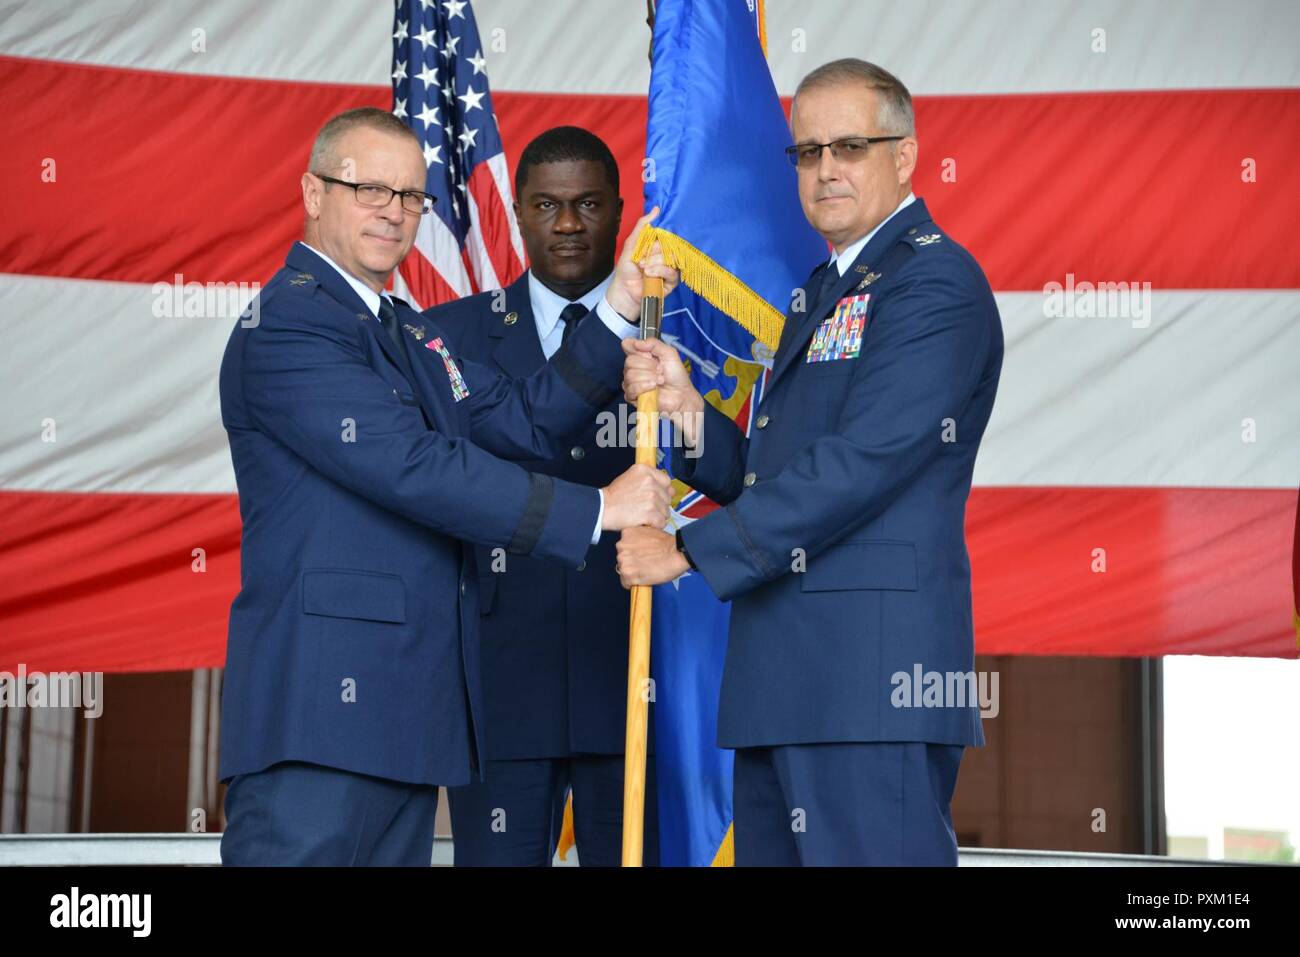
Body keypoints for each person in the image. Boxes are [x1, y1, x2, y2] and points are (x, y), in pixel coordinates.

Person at [216, 107, 676, 866]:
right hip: (319, 717)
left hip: (407, 720)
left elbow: (523, 418)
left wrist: (619, 305)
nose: (392, 213)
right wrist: (598, 508)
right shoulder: (288, 321)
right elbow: (412, 465)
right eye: (369, 190)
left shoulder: (406, 329)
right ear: (312, 191)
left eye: (409, 196)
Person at [616, 59, 1004, 866]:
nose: (825, 167)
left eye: (851, 146)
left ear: (904, 156)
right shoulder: (825, 287)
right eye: (807, 151)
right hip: (784, 681)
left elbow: (861, 464)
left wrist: (688, 551)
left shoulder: (934, 282)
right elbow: (775, 469)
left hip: (870, 684)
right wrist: (693, 415)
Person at [429, 127, 658, 866]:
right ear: (517, 214)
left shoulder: (668, 331)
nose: (567, 224)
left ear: (620, 211)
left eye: (588, 204)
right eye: (548, 205)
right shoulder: (450, 336)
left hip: (634, 660)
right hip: (504, 671)